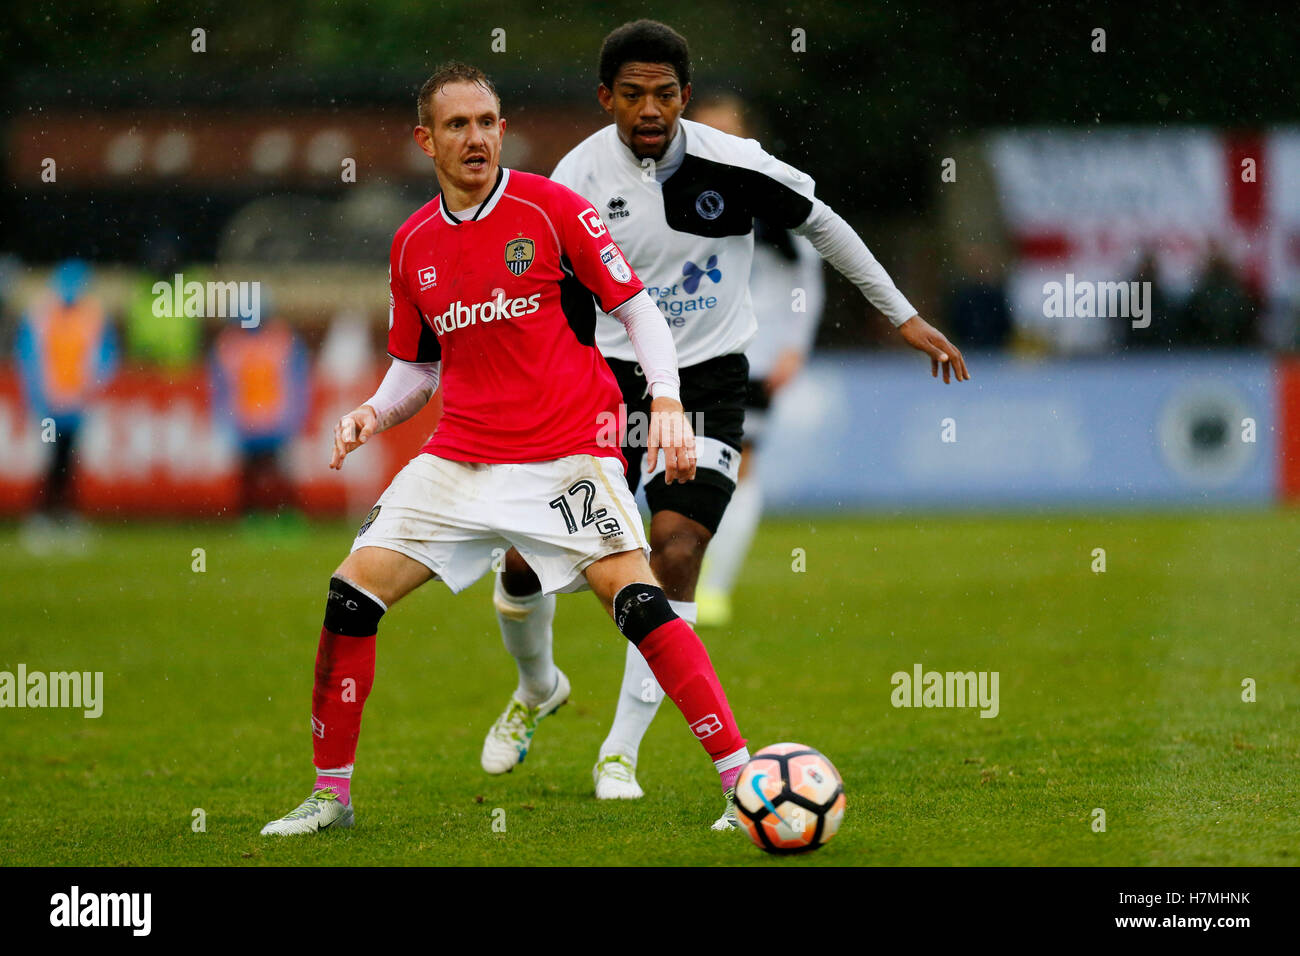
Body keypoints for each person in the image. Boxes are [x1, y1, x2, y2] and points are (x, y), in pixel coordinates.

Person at [479, 20, 969, 821]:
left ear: (685, 96)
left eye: (665, 94)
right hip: (603, 385)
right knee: (526, 565)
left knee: (675, 548)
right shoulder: (573, 178)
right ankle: (538, 686)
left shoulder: (734, 164)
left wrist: (904, 316)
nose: (649, 108)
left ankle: (620, 752)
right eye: (632, 94)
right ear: (606, 98)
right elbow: (547, 291)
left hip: (705, 380)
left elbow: (825, 223)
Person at [261, 62, 751, 835]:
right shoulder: (413, 243)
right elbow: (419, 365)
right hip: (461, 456)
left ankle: (743, 781)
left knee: (638, 599)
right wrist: (372, 415)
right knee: (350, 596)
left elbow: (638, 309)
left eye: (488, 121)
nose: (477, 137)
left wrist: (663, 397)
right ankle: (331, 797)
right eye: (458, 125)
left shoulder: (555, 209)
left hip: (565, 451)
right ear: (426, 140)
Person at [686, 95, 826, 627]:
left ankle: (713, 588)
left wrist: (795, 346)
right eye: (709, 130)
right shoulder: (675, 196)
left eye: (729, 132)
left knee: (739, 464)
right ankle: (674, 580)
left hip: (754, 354)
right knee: (678, 467)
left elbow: (807, 277)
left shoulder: (775, 197)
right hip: (685, 353)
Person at [14, 259, 118, 551]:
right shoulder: (42, 316)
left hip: (75, 406)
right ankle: (42, 515)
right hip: (49, 406)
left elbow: (106, 356)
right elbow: (28, 358)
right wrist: (35, 398)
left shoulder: (90, 316)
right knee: (51, 459)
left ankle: (63, 514)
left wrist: (93, 386)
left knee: (68, 460)